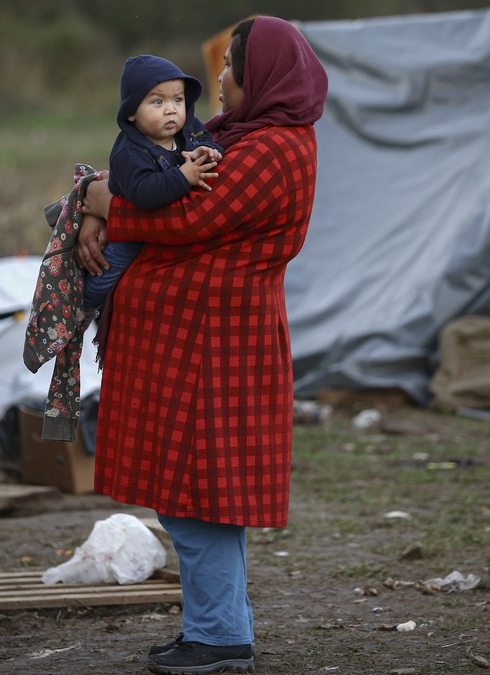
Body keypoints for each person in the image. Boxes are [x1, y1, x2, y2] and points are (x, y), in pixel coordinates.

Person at [77, 16, 328, 675]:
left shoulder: (275, 149)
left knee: (199, 494)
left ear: (263, 75)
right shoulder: (244, 137)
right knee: (197, 490)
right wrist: (96, 200)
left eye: (230, 67)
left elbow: (189, 213)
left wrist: (100, 200)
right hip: (199, 341)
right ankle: (220, 629)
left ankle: (218, 635)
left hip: (215, 345)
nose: (218, 78)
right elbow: (165, 178)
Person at [83, 54, 223, 311]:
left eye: (177, 100)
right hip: (127, 231)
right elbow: (145, 194)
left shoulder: (188, 128)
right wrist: (184, 176)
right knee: (105, 275)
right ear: (132, 113)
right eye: (157, 101)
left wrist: (207, 150)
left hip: (161, 232)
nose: (171, 109)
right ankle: (81, 312)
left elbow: (207, 138)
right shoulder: (129, 152)